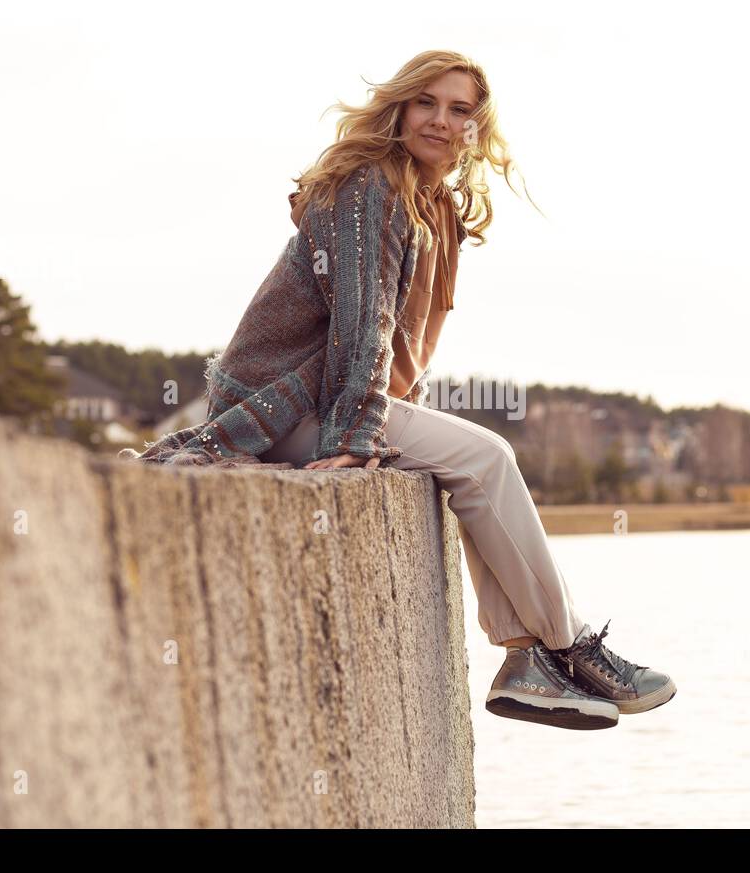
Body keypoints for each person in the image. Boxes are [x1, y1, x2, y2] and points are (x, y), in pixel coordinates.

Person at [124, 50, 674, 730]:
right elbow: (363, 324)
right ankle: (572, 650)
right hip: (283, 407)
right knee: (487, 457)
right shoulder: (369, 189)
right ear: (401, 108)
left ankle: (530, 661)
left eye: (460, 109)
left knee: (469, 461)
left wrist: (377, 421)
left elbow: (405, 347)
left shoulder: (432, 203)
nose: (441, 120)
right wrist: (356, 438)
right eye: (427, 103)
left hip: (333, 399)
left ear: (477, 129)